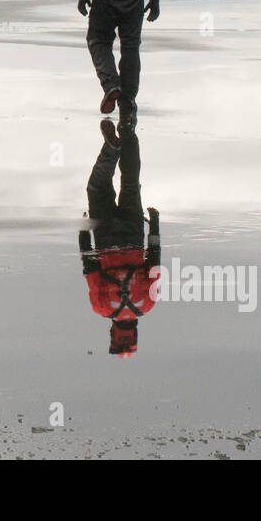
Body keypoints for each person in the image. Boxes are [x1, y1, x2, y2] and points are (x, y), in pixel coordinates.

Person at [78, 119, 161, 357]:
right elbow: (89, 265)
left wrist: (154, 225)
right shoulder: (101, 308)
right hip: (105, 239)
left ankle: (129, 132)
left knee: (131, 182)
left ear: (135, 333)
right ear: (115, 334)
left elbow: (154, 258)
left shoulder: (148, 303)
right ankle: (111, 149)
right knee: (97, 188)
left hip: (134, 235)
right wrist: (84, 230)